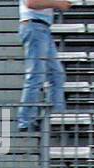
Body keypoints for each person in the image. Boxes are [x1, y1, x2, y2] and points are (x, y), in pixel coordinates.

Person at [18, 1, 70, 133]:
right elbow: (31, 2)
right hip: (34, 26)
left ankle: (57, 116)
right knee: (36, 75)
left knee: (56, 75)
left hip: (41, 27)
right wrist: (57, 4)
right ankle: (26, 120)